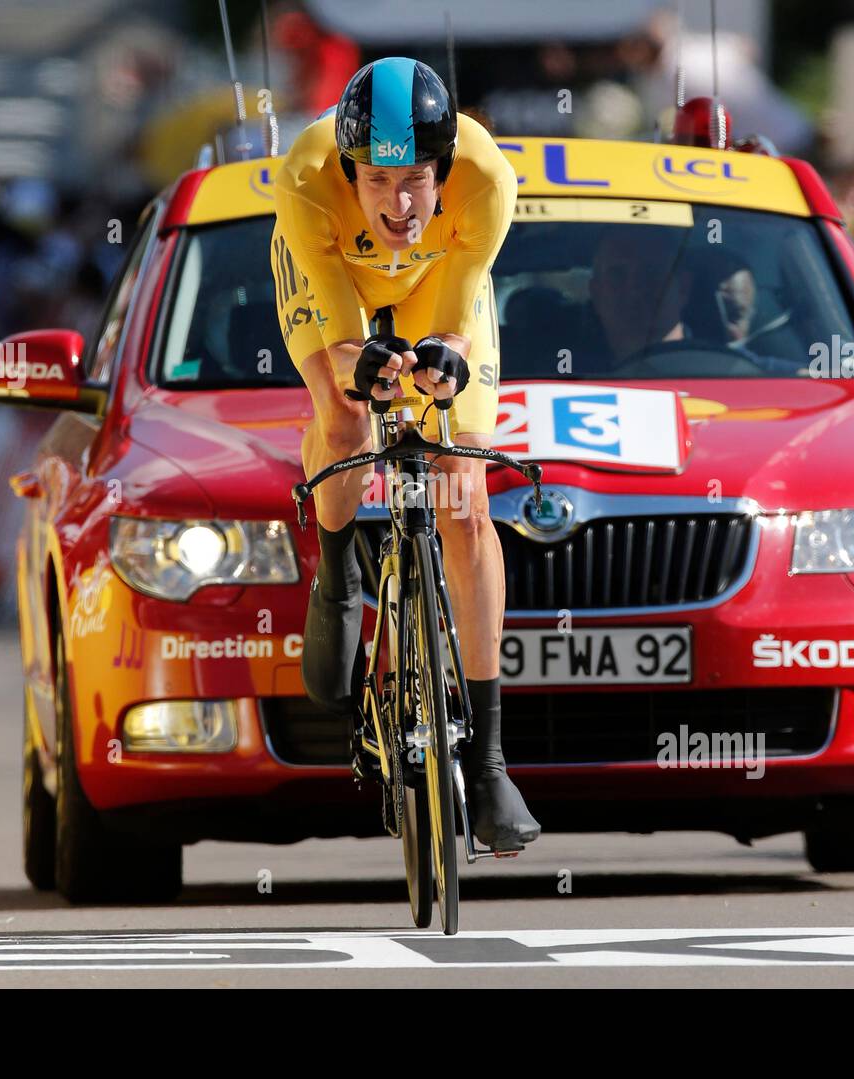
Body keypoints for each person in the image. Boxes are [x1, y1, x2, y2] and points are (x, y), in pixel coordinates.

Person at [270, 57, 540, 851]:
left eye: (419, 179)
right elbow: (346, 328)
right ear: (351, 170)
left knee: (463, 490)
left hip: (434, 287)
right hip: (337, 280)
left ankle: (488, 763)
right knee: (350, 418)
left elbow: (454, 323)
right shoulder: (306, 178)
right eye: (380, 181)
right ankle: (336, 565)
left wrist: (445, 357)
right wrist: (365, 364)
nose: (400, 202)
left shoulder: (488, 179)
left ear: (445, 169)